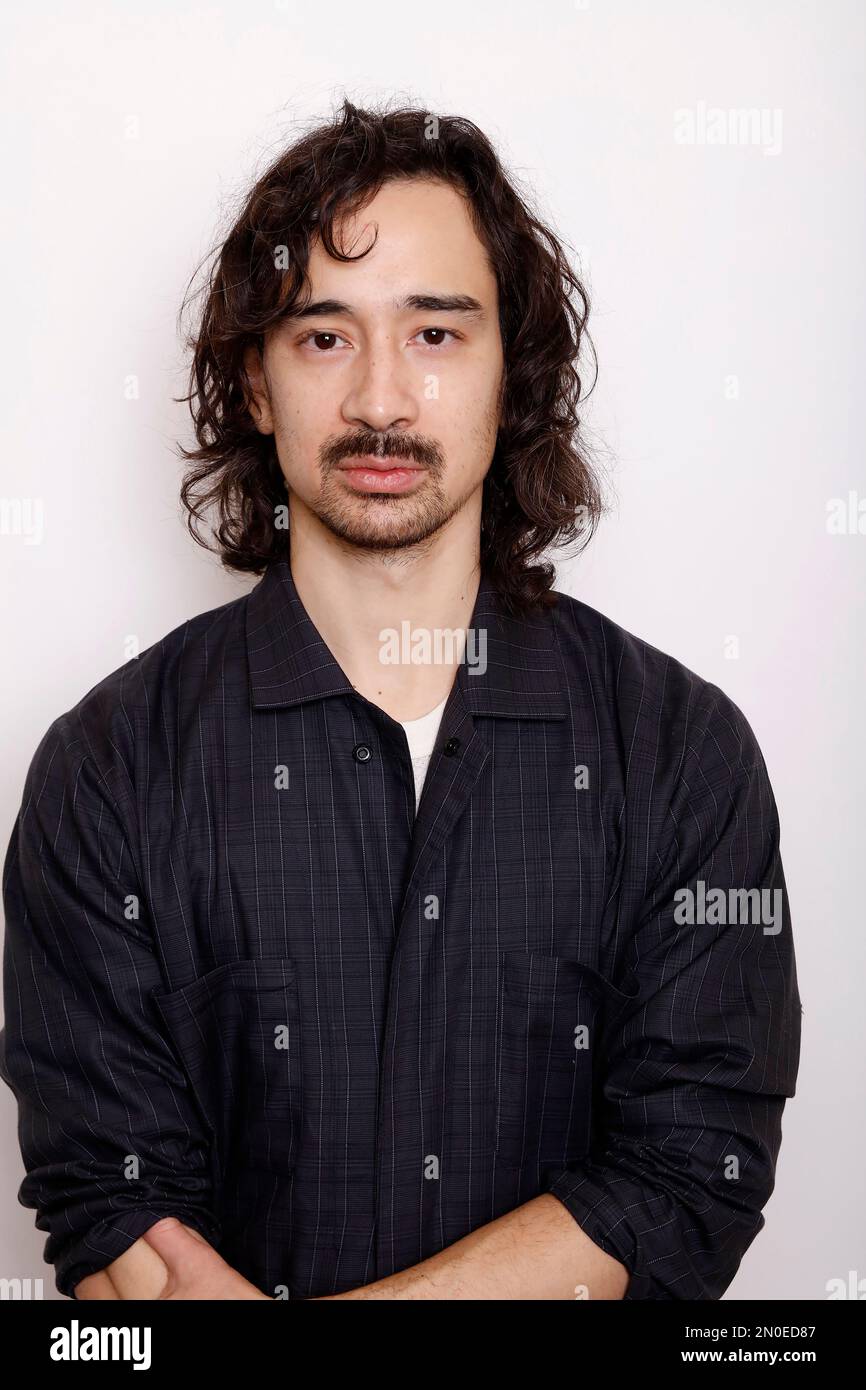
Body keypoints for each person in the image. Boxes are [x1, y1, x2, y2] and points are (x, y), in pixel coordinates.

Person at [0, 99, 801, 1301]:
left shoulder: (679, 753)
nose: (381, 398)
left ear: (508, 379)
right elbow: (112, 1210)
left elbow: (692, 1177)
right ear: (255, 387)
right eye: (323, 338)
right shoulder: (109, 766)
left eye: (434, 334)